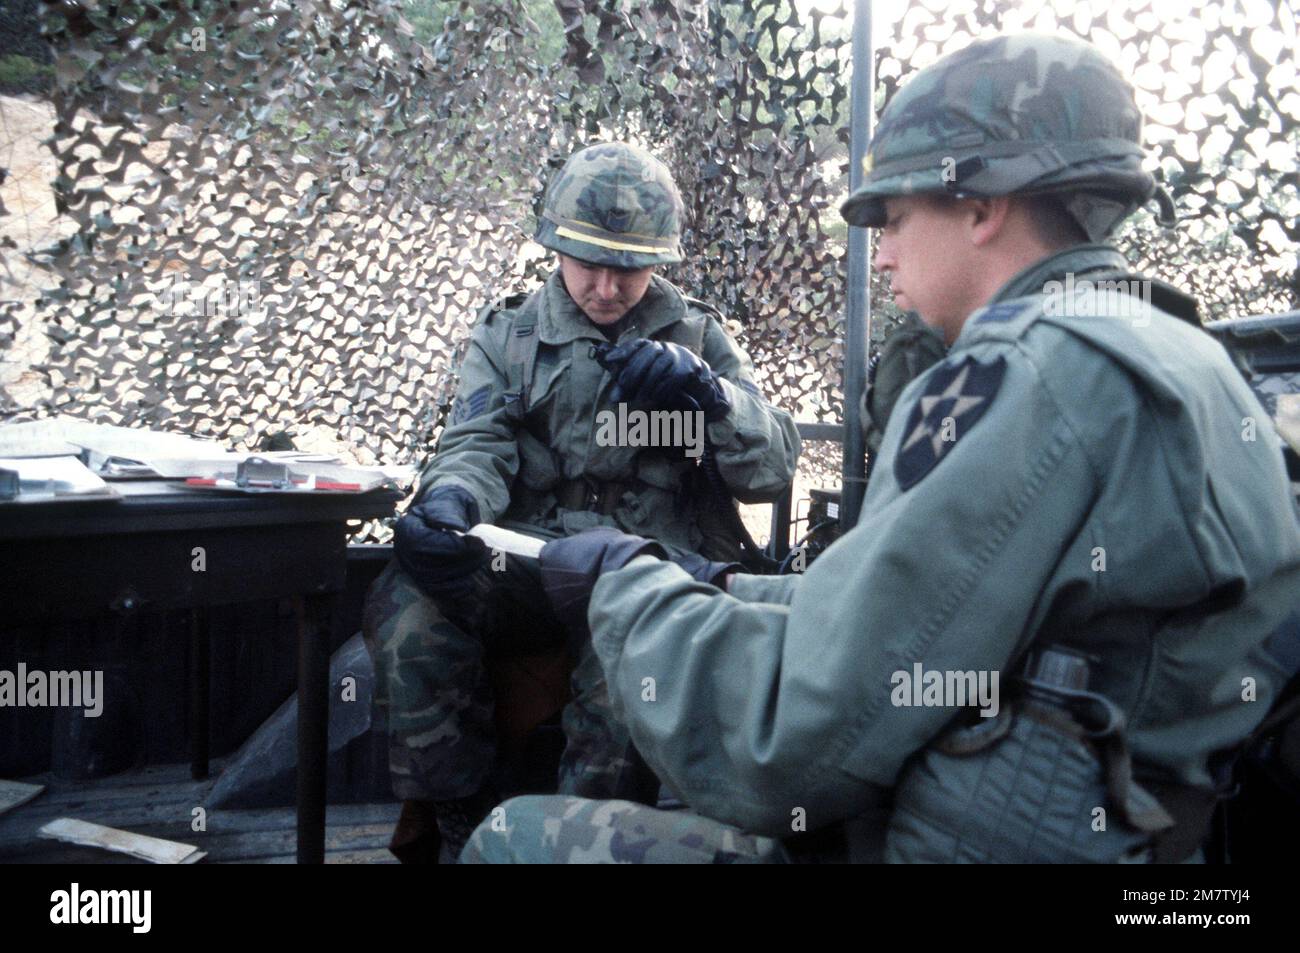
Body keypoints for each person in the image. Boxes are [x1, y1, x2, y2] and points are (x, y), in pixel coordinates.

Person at [461, 33, 1300, 864]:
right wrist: (712, 582)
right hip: (1126, 846)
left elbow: (787, 745)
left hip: (947, 839)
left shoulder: (1022, 377)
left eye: (894, 216)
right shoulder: (1180, 354)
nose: (882, 251)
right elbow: (919, 616)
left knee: (512, 838)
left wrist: (624, 587)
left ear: (982, 205)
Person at [362, 141, 801, 862]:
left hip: (643, 564)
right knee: (409, 611)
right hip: (529, 558)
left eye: (626, 266)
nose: (604, 286)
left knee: (629, 664)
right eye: (586, 261)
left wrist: (712, 399)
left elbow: (772, 470)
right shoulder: (511, 335)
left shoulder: (696, 336)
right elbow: (477, 440)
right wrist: (449, 502)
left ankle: (580, 844)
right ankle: (461, 823)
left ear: (657, 261)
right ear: (555, 246)